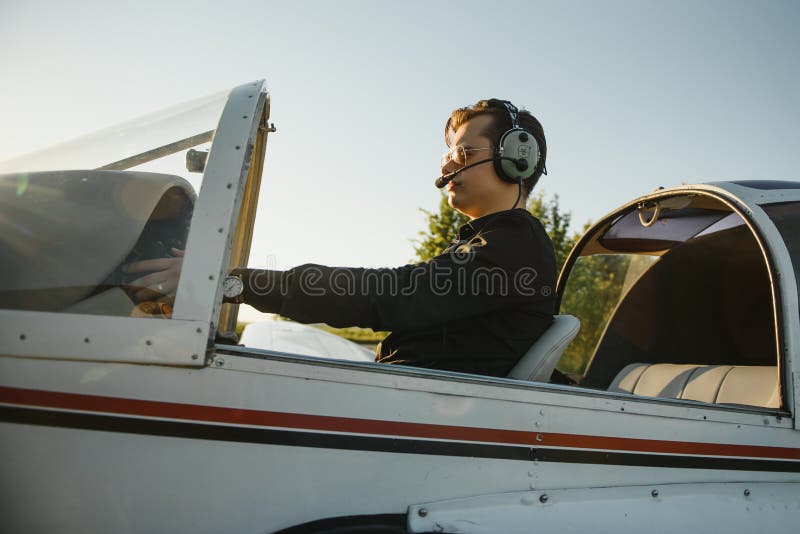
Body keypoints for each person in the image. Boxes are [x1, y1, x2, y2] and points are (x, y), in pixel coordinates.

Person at [126, 99, 557, 377]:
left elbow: (390, 294)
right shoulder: (491, 243)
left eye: (462, 154)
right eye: (447, 155)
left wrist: (232, 282)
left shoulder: (515, 246)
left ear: (516, 158)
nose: (446, 168)